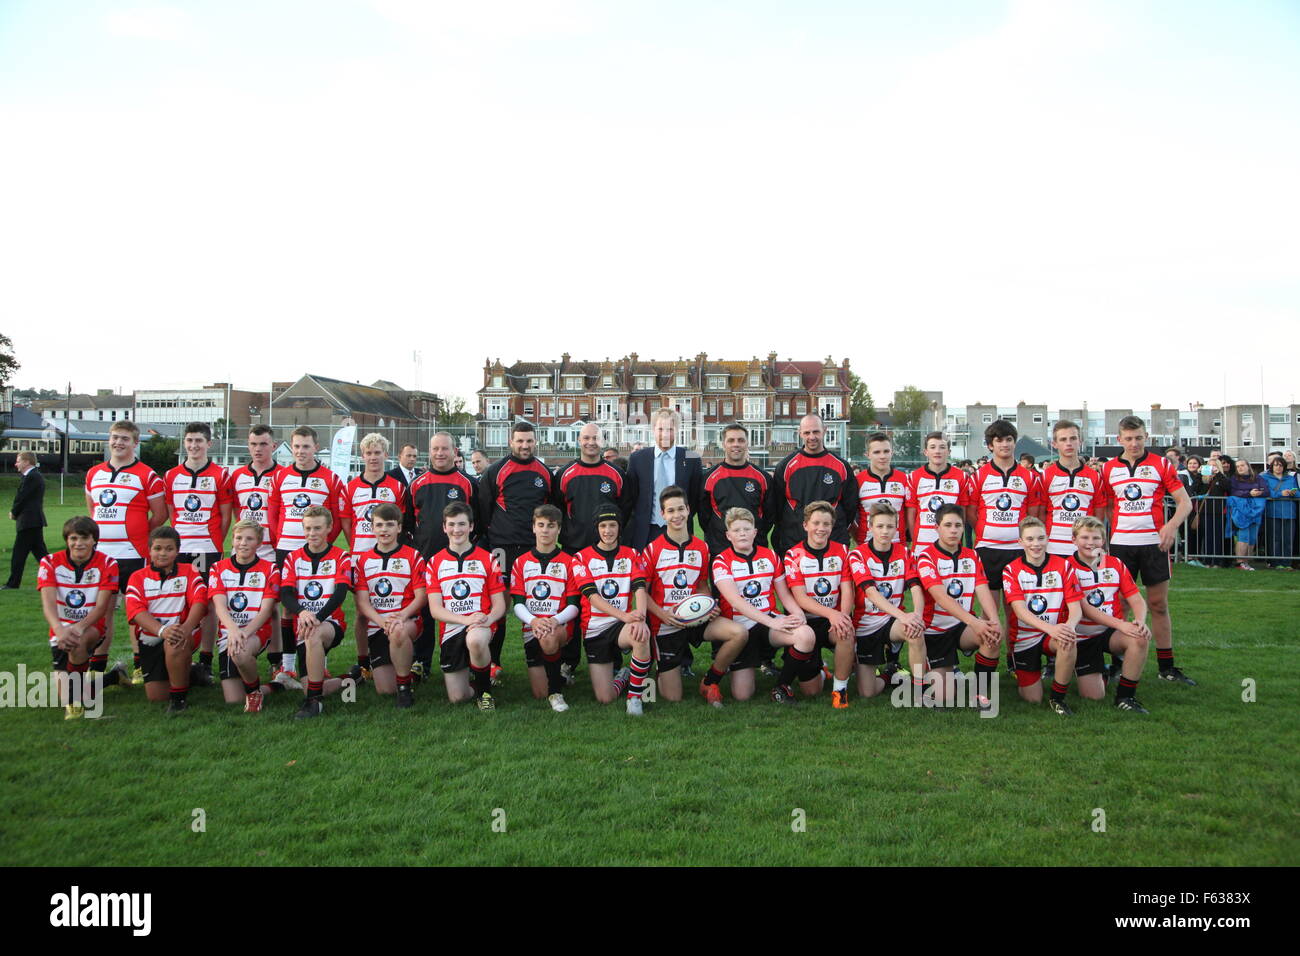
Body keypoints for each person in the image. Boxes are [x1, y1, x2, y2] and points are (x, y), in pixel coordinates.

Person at [1095, 415, 1195, 685]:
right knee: (1120, 606)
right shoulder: (1108, 469)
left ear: (1146, 437)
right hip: (1120, 547)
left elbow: (1185, 503)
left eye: (1138, 437)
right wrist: (1104, 537)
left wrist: (1172, 526)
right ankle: (1117, 662)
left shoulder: (1161, 464)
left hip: (1154, 544)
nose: (1134, 443)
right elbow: (1105, 506)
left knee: (1158, 605)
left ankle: (1167, 666)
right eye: (1128, 438)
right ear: (1119, 440)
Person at [640, 486, 749, 707]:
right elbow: (642, 591)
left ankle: (710, 681)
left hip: (695, 618)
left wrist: (709, 605)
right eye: (670, 511)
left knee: (738, 633)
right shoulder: (652, 549)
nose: (676, 515)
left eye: (681, 509)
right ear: (663, 514)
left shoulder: (702, 548)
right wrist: (662, 614)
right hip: (665, 624)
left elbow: (701, 584)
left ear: (689, 510)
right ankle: (651, 670)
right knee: (673, 697)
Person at [85, 420, 167, 685]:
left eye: (125, 439)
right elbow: (92, 512)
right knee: (102, 612)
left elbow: (160, 515)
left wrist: (138, 534)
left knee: (136, 613)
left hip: (133, 554)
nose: (118, 443)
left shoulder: (147, 475)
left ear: (135, 443)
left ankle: (139, 667)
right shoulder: (93, 473)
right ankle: (97, 669)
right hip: (101, 557)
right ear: (109, 440)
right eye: (115, 437)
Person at [267, 426, 347, 687]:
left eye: (306, 446)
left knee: (319, 599)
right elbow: (273, 512)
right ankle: (288, 666)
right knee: (290, 607)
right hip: (287, 548)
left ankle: (319, 664)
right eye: (297, 446)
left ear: (316, 447)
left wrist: (325, 543)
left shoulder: (330, 478)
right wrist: (279, 540)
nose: (301, 452)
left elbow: (335, 515)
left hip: (319, 551)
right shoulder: (280, 477)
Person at [710, 508, 814, 705]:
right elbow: (735, 601)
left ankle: (782, 686)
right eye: (737, 530)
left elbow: (784, 594)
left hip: (768, 625)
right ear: (728, 535)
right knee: (743, 695)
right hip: (741, 629)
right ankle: (719, 674)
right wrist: (772, 622)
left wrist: (798, 613)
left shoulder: (771, 556)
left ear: (755, 532)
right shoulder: (721, 561)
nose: (742, 533)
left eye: (746, 529)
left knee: (805, 634)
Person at [477, 421, 553, 682]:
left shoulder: (544, 472)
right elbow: (483, 508)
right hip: (502, 547)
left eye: (529, 441)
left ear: (535, 442)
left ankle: (540, 661)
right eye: (520, 441)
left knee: (537, 603)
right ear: (511, 442)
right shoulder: (496, 471)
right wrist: (496, 533)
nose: (524, 445)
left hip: (534, 548)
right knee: (500, 605)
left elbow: (551, 509)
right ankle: (493, 662)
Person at [164, 422, 233, 688]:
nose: (194, 445)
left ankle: (205, 660)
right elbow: (173, 514)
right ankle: (182, 656)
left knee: (210, 605)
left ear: (209, 444)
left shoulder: (221, 475)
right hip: (180, 550)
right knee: (180, 602)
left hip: (208, 549)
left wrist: (214, 542)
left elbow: (226, 516)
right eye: (190, 440)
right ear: (184, 443)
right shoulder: (171, 475)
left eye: (199, 441)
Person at [37, 516, 126, 718]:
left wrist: (78, 628)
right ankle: (113, 677)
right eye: (73, 538)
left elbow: (102, 607)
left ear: (94, 539)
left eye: (84, 538)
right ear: (67, 540)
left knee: (77, 645)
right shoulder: (49, 562)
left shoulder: (108, 563)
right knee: (65, 695)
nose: (78, 543)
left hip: (92, 626)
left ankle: (75, 704)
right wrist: (60, 630)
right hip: (60, 630)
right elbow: (48, 604)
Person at [914, 504, 1001, 706]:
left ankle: (979, 693)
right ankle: (934, 671)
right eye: (948, 525)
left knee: (993, 635)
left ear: (964, 528)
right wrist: (975, 621)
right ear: (937, 527)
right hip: (935, 631)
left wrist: (994, 620)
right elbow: (941, 598)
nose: (953, 530)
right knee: (946, 697)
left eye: (958, 525)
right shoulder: (926, 557)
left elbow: (982, 588)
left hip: (962, 628)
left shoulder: (972, 555)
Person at [341, 433, 410, 682]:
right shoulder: (351, 487)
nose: (373, 457)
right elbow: (348, 523)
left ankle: (393, 654)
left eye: (377, 453)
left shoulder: (397, 487)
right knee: (362, 611)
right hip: (361, 557)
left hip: (391, 556)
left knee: (391, 604)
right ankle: (363, 663)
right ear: (362, 456)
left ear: (386, 455)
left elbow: (401, 521)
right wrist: (359, 548)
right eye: (368, 453)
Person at [409, 432, 478, 681]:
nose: (440, 453)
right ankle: (421, 662)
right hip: (426, 558)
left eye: (444, 449)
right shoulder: (417, 484)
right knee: (426, 611)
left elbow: (477, 521)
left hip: (461, 560)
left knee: (462, 605)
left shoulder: (468, 483)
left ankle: (466, 662)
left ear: (454, 451)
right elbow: (409, 522)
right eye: (435, 449)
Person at [425, 501, 506, 710]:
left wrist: (486, 619)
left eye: (461, 524)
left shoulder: (489, 559)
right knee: (458, 697)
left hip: (480, 623)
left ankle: (484, 693)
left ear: (471, 526)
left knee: (477, 639)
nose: (456, 530)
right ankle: (477, 678)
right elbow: (435, 610)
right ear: (444, 527)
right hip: (451, 629)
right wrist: (465, 619)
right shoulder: (435, 562)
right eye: (451, 524)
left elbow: (499, 605)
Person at [572, 509, 653, 714]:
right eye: (603, 526)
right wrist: (625, 616)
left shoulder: (632, 554)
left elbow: (640, 589)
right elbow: (593, 597)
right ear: (597, 529)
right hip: (595, 630)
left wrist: (640, 618)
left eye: (612, 525)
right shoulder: (581, 558)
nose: (608, 531)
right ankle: (624, 676)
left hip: (621, 626)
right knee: (605, 698)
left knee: (641, 634)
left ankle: (635, 697)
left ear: (619, 528)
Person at [1068, 516, 1152, 713]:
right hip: (1081, 637)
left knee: (1139, 637)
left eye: (1096, 538)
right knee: (1093, 697)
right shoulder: (1066, 567)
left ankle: (1125, 697)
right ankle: (1100, 672)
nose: (1090, 543)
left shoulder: (1115, 564)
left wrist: (1139, 621)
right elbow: (1085, 609)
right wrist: (1121, 624)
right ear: (1074, 540)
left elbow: (1137, 599)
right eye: (1085, 537)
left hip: (1109, 632)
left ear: (1103, 541)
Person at [1001, 517, 1083, 715]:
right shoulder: (1011, 570)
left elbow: (1076, 608)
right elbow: (1020, 611)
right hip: (1024, 638)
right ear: (1020, 542)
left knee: (1068, 640)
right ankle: (1024, 670)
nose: (1036, 544)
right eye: (1029, 539)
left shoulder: (1063, 566)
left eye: (1040, 538)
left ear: (1048, 539)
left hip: (1053, 634)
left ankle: (1058, 698)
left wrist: (1070, 626)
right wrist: (1051, 628)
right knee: (1032, 699)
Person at [124, 526, 209, 715]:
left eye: (169, 549)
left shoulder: (189, 571)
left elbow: (200, 601)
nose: (163, 553)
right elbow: (136, 611)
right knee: (156, 696)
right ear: (150, 550)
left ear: (177, 551)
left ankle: (178, 700)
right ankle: (193, 672)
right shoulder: (138, 577)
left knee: (175, 642)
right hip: (152, 637)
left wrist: (187, 628)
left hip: (182, 633)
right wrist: (162, 630)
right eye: (158, 548)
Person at [847, 502, 927, 702]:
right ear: (871, 527)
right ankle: (889, 674)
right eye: (880, 526)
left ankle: (920, 690)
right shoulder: (857, 555)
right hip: (866, 625)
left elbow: (916, 588)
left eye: (890, 527)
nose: (885, 531)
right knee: (867, 692)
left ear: (897, 528)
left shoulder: (905, 553)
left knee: (914, 631)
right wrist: (904, 616)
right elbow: (871, 593)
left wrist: (916, 615)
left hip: (893, 623)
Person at [352, 502, 427, 708]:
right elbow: (362, 601)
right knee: (385, 689)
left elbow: (421, 597)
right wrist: (380, 621)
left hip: (407, 621)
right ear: (372, 528)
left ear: (399, 528)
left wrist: (401, 616)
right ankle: (400, 671)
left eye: (389, 525)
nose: (384, 530)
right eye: (379, 525)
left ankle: (405, 688)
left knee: (398, 631)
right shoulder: (363, 560)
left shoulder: (413, 556)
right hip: (379, 625)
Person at [279, 506, 351, 719]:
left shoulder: (341, 556)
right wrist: (302, 613)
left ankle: (313, 703)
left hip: (330, 624)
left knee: (314, 634)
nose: (312, 533)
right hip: (303, 624)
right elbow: (285, 595)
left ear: (329, 528)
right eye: (308, 528)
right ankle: (351, 678)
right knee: (309, 684)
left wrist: (317, 618)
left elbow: (340, 594)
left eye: (318, 528)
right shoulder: (293, 558)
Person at [783, 501, 855, 707]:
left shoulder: (842, 550)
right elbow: (800, 597)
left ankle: (840, 690)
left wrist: (843, 617)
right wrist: (831, 614)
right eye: (816, 523)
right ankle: (821, 670)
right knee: (811, 691)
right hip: (806, 623)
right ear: (805, 525)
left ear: (832, 527)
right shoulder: (793, 555)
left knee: (846, 633)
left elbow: (847, 589)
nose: (821, 528)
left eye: (826, 524)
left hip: (834, 618)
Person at [228, 425, 288, 675]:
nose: (258, 449)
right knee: (242, 602)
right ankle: (236, 649)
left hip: (272, 549)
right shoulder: (237, 475)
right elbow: (235, 510)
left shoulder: (284, 475)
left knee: (274, 605)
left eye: (263, 444)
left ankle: (278, 662)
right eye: (253, 444)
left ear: (273, 446)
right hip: (245, 549)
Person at [510, 504, 580, 712]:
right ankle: (558, 673)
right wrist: (534, 621)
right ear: (533, 527)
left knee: (549, 639)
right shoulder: (520, 563)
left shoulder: (570, 562)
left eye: (551, 526)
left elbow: (574, 606)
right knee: (538, 692)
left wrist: (553, 620)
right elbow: (518, 604)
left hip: (559, 626)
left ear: (559, 529)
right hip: (532, 627)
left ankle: (556, 693)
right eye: (540, 525)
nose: (545, 530)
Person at [207, 520, 280, 712]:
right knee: (234, 700)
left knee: (240, 652)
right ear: (232, 540)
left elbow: (266, 610)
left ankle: (254, 693)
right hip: (228, 634)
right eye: (239, 538)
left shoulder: (270, 569)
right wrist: (233, 630)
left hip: (256, 632)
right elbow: (219, 605)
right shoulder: (218, 568)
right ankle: (275, 686)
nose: (243, 543)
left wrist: (244, 633)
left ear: (258, 542)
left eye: (250, 539)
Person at [766, 413, 855, 557]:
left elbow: (850, 506)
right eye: (807, 432)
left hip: (832, 540)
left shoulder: (841, 466)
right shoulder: (786, 466)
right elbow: (777, 506)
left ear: (825, 430)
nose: (812, 437)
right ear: (800, 433)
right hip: (794, 540)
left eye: (816, 431)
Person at [627, 408, 703, 551]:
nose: (665, 434)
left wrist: (680, 517)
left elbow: (694, 498)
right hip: (646, 533)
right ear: (653, 430)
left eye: (670, 429)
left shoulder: (692, 458)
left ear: (677, 430)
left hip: (679, 531)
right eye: (661, 429)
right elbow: (631, 497)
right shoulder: (637, 459)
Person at [698, 423, 771, 557]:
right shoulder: (709, 478)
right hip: (720, 550)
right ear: (723, 444)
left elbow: (770, 516)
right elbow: (704, 517)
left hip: (755, 549)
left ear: (747, 443)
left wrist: (754, 534)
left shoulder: (763, 478)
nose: (736, 444)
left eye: (741, 440)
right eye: (731, 440)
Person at [905, 431, 972, 555]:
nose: (937, 451)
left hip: (950, 544)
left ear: (949, 451)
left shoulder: (961, 477)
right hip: (922, 544)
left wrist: (957, 539)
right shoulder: (914, 477)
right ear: (926, 452)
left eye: (942, 447)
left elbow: (962, 511)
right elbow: (911, 513)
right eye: (932, 447)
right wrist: (915, 540)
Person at [1042, 420, 1100, 557]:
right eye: (1063, 439)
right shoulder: (1045, 476)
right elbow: (1040, 514)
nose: (1069, 443)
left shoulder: (1094, 476)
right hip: (1054, 548)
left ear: (1080, 441)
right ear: (1054, 444)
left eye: (1073, 438)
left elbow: (1099, 515)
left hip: (1085, 548)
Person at [853, 432, 909, 547]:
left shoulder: (904, 479)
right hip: (866, 547)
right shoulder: (858, 481)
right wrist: (859, 538)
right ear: (867, 454)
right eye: (877, 452)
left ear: (892, 453)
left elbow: (909, 514)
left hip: (898, 546)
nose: (882, 456)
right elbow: (851, 516)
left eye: (886, 451)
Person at [6, 450, 48, 590]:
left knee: (19, 554)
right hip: (33, 521)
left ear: (26, 462)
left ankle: (13, 584)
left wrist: (14, 512)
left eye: (18, 461)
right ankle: (60, 577)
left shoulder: (32, 477)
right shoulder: (32, 476)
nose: (16, 464)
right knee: (42, 555)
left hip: (29, 521)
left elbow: (22, 497)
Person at [1227, 458, 1268, 571]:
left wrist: (1257, 493)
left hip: (1256, 511)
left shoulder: (1258, 477)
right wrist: (1249, 493)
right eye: (1238, 466)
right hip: (1241, 512)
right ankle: (1239, 562)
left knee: (1252, 538)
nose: (1240, 468)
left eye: (1242, 465)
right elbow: (1234, 492)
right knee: (1243, 536)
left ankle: (1247, 562)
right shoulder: (1234, 479)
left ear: (1248, 466)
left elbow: (1266, 491)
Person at [1261, 454, 1298, 569]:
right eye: (1276, 465)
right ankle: (1275, 563)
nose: (1278, 467)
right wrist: (1280, 494)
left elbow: (1298, 492)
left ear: (1284, 467)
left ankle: (1287, 563)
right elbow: (1266, 492)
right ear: (1271, 466)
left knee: (1288, 539)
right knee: (1275, 539)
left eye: (1281, 465)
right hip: (1273, 512)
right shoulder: (1265, 478)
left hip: (1289, 513)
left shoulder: (1291, 478)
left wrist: (1293, 493)